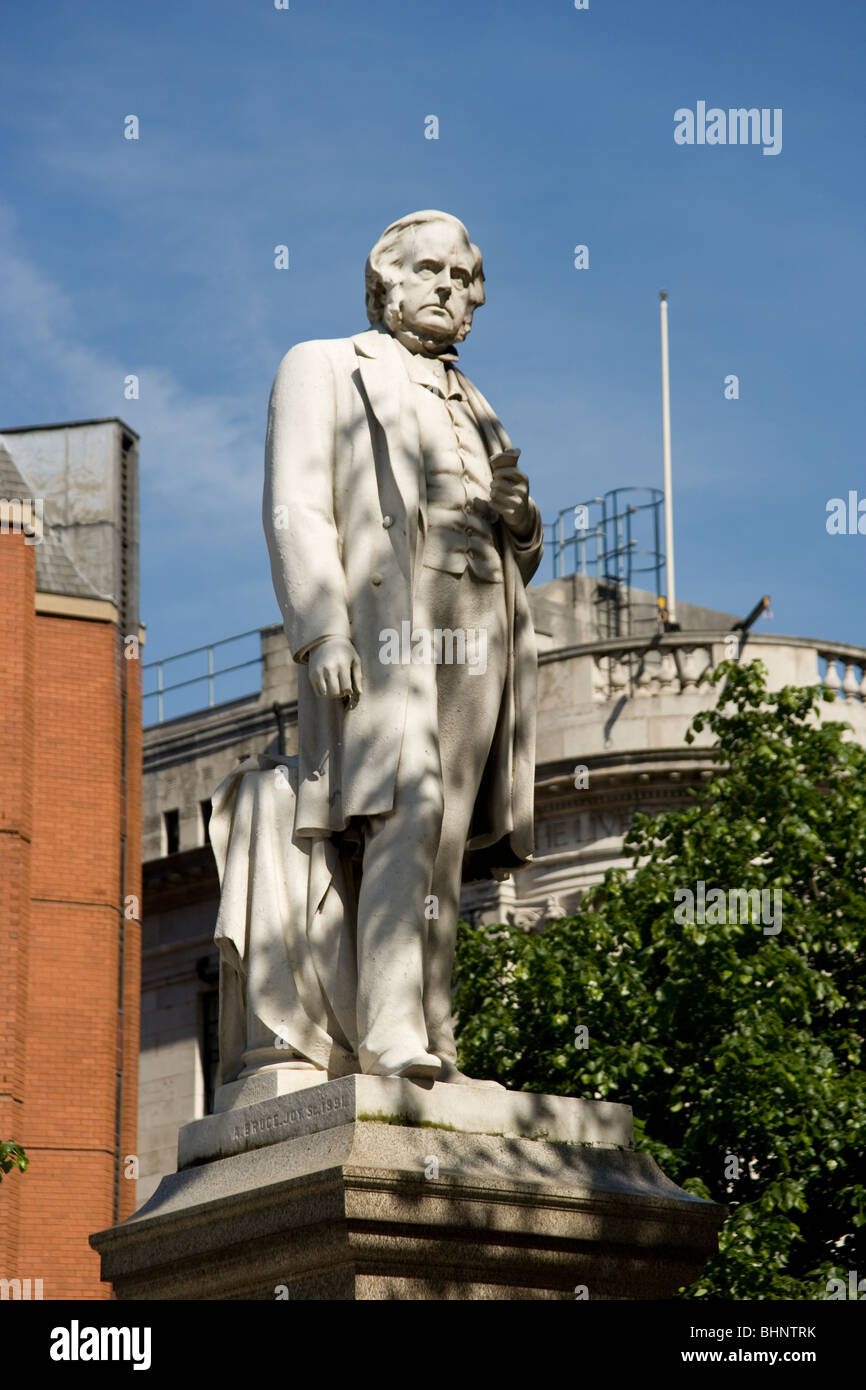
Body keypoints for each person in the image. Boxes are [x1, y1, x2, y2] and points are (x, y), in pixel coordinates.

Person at [262, 209, 543, 1083]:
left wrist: (521, 520)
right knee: (405, 809)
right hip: (390, 630)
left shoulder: (480, 401)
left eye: (462, 282)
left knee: (447, 837)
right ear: (385, 282)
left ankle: (437, 1033)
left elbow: (518, 547)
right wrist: (320, 631)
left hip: (481, 632)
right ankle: (388, 1031)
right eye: (430, 272)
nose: (448, 291)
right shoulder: (324, 364)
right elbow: (295, 504)